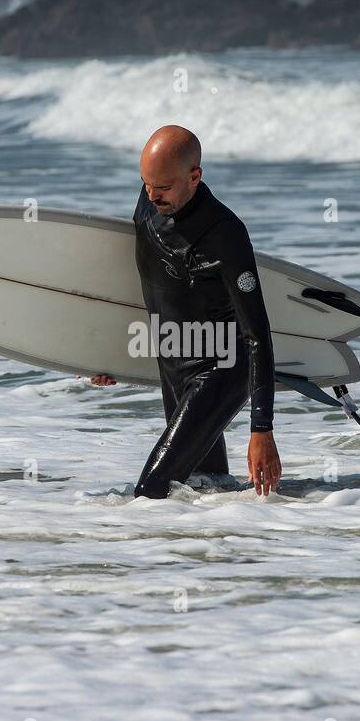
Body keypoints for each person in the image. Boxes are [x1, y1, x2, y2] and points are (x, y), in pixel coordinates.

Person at [79, 125, 282, 498]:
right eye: (146, 184)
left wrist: (261, 429)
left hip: (218, 372)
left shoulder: (226, 234)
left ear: (194, 176)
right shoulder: (149, 201)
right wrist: (105, 355)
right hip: (172, 364)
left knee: (150, 493)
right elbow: (138, 292)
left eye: (163, 188)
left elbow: (257, 333)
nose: (152, 196)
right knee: (204, 489)